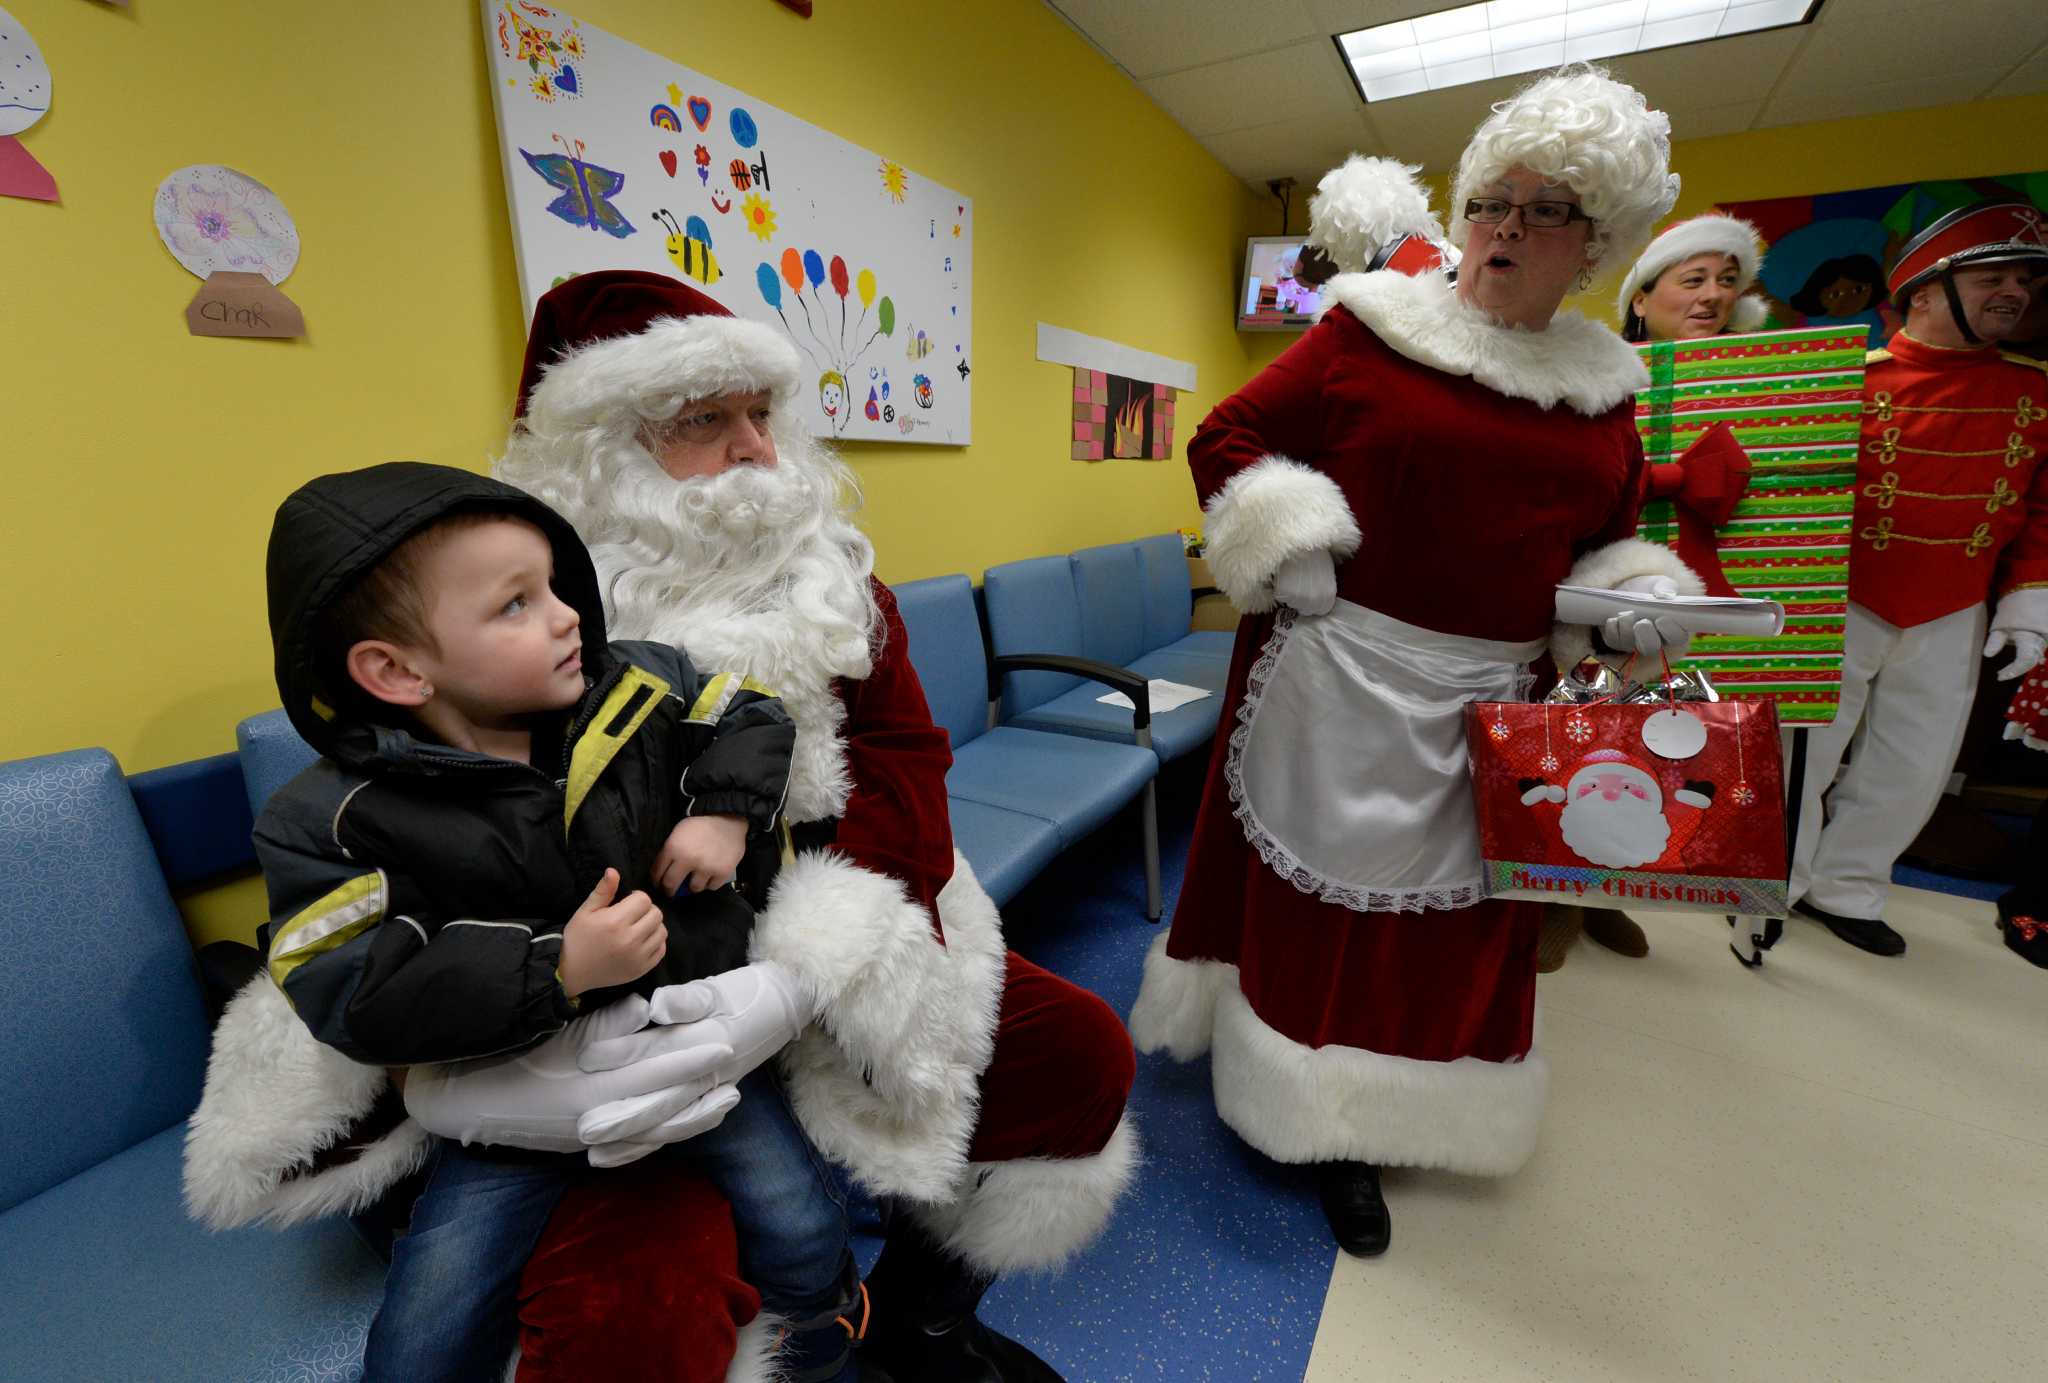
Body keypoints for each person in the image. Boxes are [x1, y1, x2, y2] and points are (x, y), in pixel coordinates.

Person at [1126, 65, 1702, 1259]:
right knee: (1311, 899)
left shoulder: (1602, 397)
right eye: (1491, 200)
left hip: (1495, 697)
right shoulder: (1366, 332)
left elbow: (1605, 539)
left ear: (1591, 245)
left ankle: (1400, 1107)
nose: (1502, 228)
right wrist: (1284, 541)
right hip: (1334, 670)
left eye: (1542, 211)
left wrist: (1633, 603)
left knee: (1448, 924)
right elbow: (1225, 436)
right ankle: (1306, 1116)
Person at [203, 459, 883, 1381]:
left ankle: (831, 1331)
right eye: (515, 604)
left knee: (800, 1225)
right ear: (396, 670)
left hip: (692, 1041)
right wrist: (557, 965)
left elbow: (750, 712)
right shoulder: (330, 818)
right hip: (507, 1089)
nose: (568, 613)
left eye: (555, 585)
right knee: (428, 1322)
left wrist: (724, 809)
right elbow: (354, 986)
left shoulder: (639, 684)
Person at [1789, 201, 2048, 956]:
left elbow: (2041, 507)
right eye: (1993, 276)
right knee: (1803, 747)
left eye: (2025, 281)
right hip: (1842, 593)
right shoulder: (1845, 378)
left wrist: (2030, 595)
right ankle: (1777, 876)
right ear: (1924, 292)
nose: (2015, 294)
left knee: (1915, 762)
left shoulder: (2036, 394)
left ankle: (1848, 887)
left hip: (1954, 605)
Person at [1617, 212, 1769, 342]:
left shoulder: (1763, 368)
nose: (1713, 295)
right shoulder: (1601, 372)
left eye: (1727, 280)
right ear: (1640, 303)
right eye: (1694, 280)